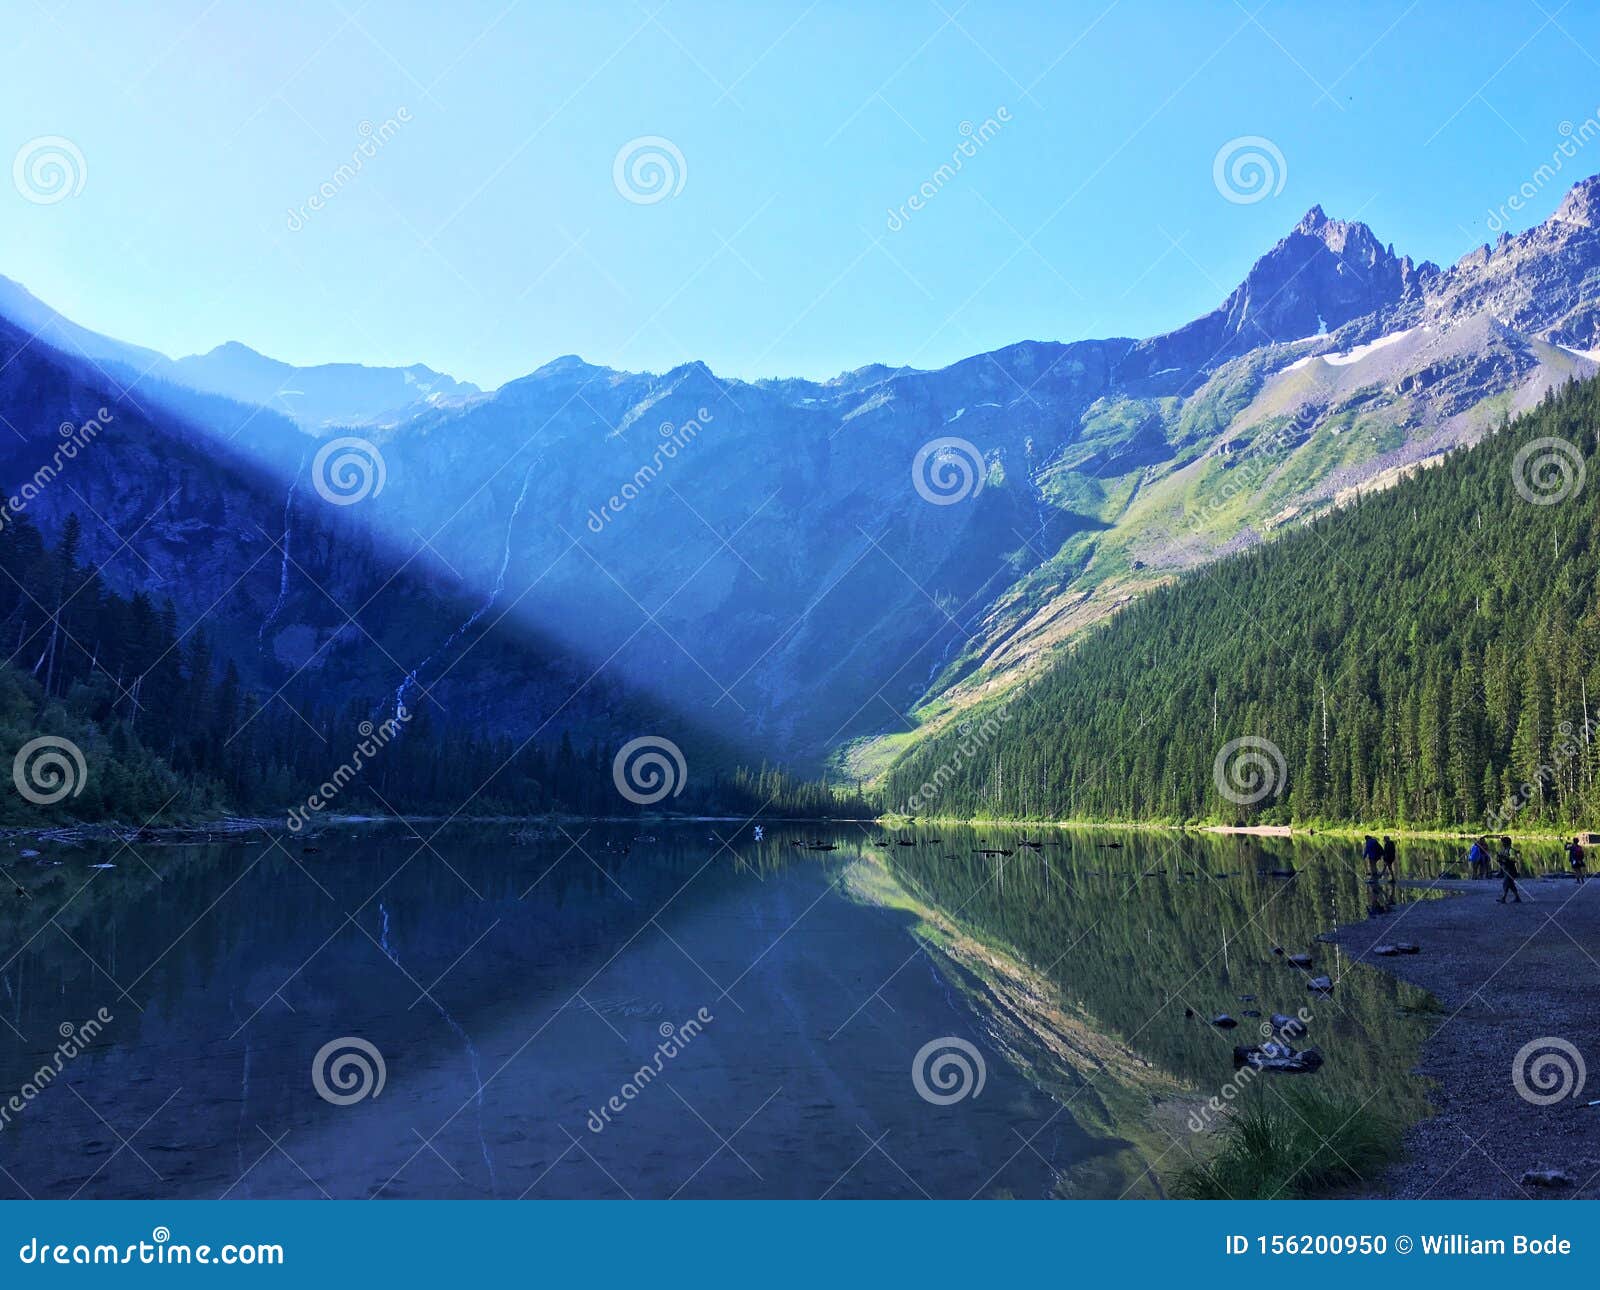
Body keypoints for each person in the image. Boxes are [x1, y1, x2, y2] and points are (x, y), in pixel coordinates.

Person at [1496, 836, 1522, 904]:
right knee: (1511, 885)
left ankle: (1503, 898)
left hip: (1510, 870)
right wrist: (1499, 858)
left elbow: (1513, 859)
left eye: (1503, 842)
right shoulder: (1504, 850)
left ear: (1506, 843)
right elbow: (1502, 860)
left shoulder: (1511, 850)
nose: (1502, 844)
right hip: (1505, 870)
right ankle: (1517, 898)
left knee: (1506, 883)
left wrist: (1505, 857)